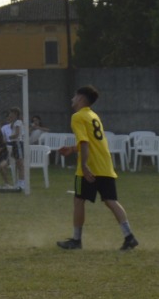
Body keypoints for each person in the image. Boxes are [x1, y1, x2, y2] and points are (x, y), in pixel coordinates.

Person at [57, 85, 138, 251]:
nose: (72, 99)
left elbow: (85, 142)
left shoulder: (77, 117)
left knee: (79, 200)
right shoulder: (93, 115)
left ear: (80, 99)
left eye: (74, 96)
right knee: (111, 201)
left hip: (90, 166)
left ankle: (76, 240)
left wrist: (85, 165)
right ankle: (129, 236)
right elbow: (90, 142)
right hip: (105, 164)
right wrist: (72, 149)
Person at [3, 107, 26, 189]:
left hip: (18, 143)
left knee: (20, 164)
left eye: (11, 113)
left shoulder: (18, 122)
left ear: (15, 114)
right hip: (14, 144)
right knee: (17, 164)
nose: (10, 115)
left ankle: (22, 183)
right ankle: (19, 182)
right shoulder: (13, 123)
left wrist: (8, 137)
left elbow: (16, 134)